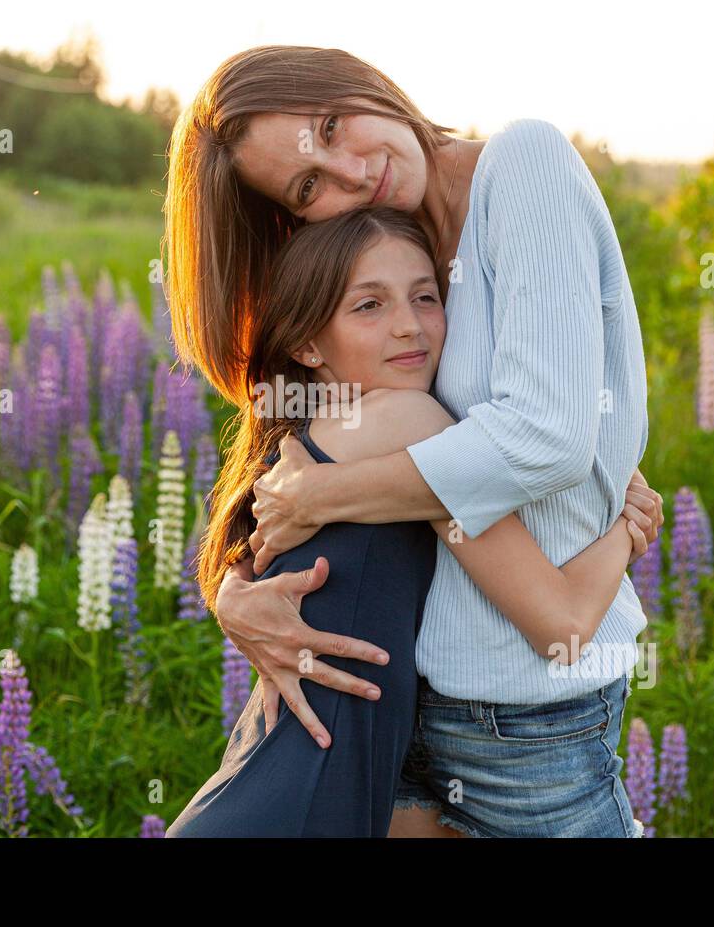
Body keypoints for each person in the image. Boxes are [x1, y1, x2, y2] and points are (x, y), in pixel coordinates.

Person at [163, 45, 658, 837]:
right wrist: (233, 593)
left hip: (522, 719)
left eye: (331, 125)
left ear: (354, 78)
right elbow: (281, 465)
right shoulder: (386, 254)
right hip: (400, 723)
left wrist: (324, 494)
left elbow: (546, 437)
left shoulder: (523, 165)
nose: (351, 172)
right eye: (308, 183)